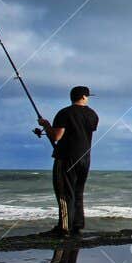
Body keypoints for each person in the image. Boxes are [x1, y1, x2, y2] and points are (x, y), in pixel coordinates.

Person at [47, 86, 98, 235]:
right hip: (85, 158)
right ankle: (77, 224)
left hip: (66, 157)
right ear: (82, 97)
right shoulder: (93, 115)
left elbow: (56, 136)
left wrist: (46, 126)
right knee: (78, 192)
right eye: (87, 96)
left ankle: (64, 227)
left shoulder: (64, 113)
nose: (87, 98)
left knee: (64, 193)